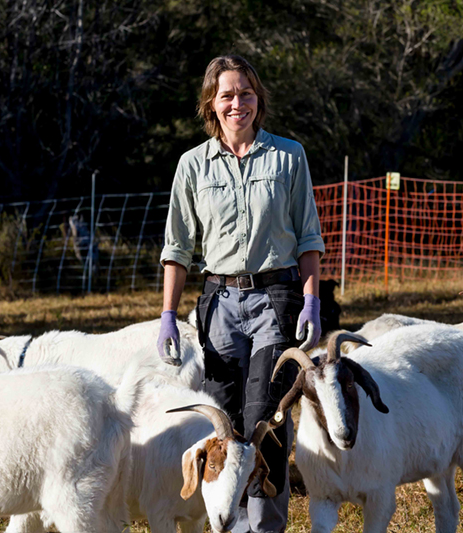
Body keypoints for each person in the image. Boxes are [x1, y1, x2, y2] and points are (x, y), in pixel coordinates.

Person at [157, 55, 324, 532]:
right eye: (227, 95)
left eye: (246, 93)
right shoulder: (192, 164)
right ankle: (229, 523)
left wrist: (311, 300)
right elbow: (178, 247)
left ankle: (265, 526)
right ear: (212, 102)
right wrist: (168, 314)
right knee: (225, 419)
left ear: (258, 99)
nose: (237, 104)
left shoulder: (288, 156)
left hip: (276, 299)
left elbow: (308, 237)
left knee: (266, 413)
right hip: (219, 305)